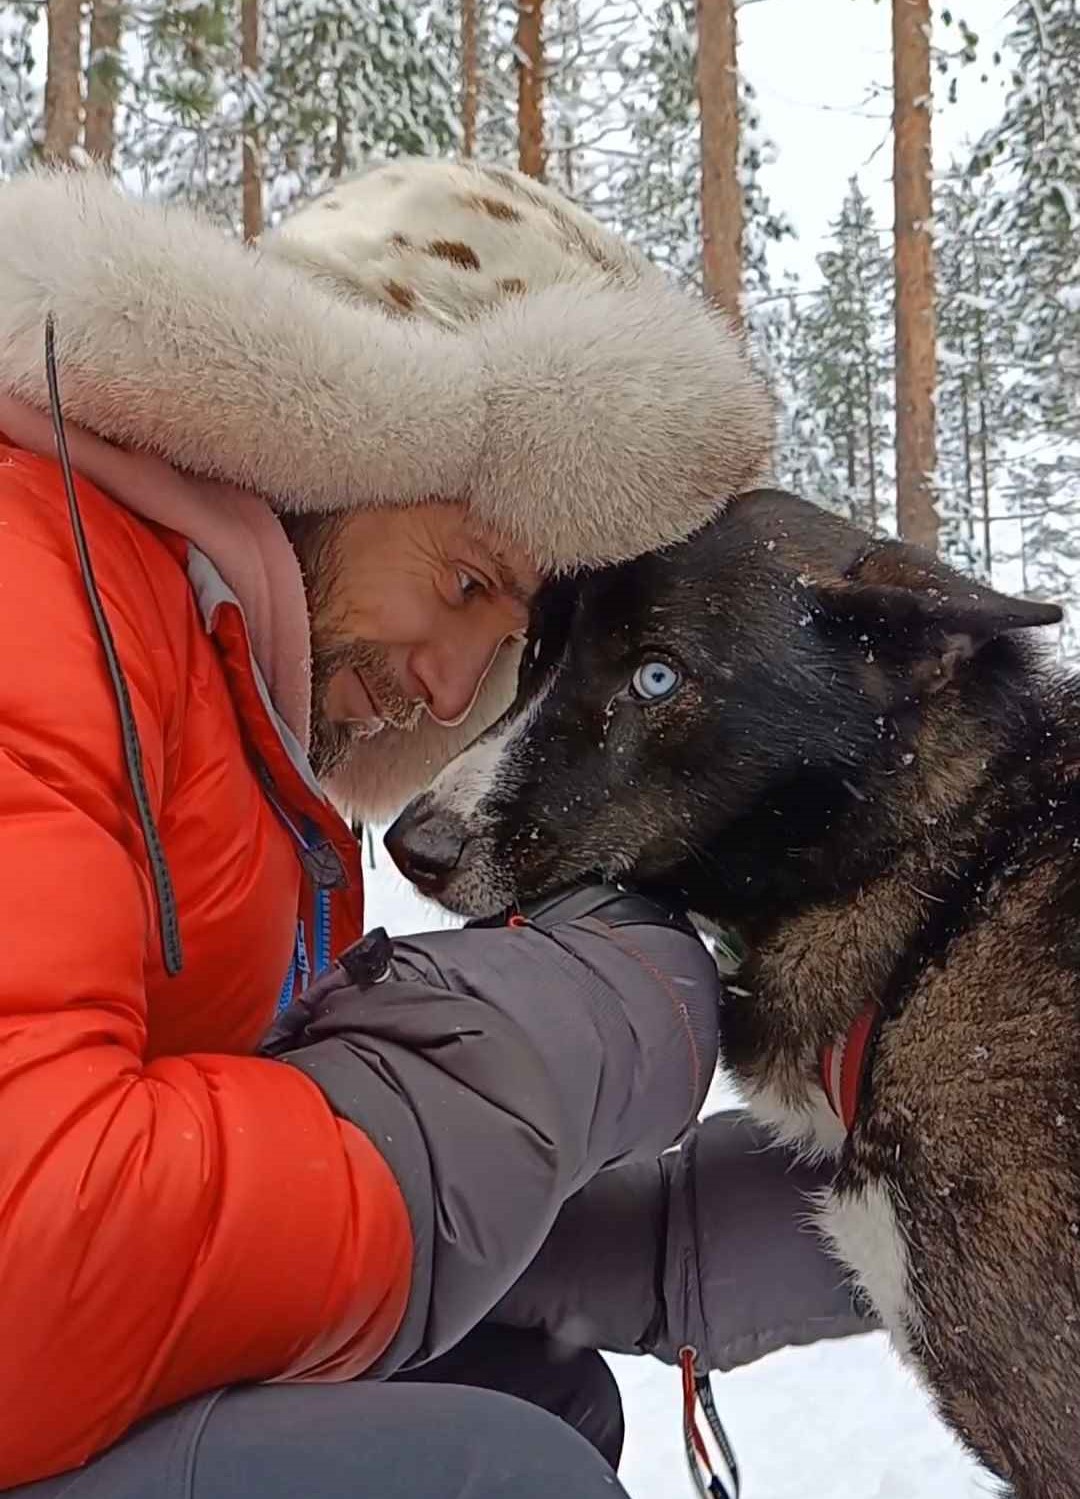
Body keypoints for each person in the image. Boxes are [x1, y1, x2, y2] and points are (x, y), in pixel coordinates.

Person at [0, 160, 865, 1499]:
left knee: (527, 1392)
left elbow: (227, 1156)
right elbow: (30, 1275)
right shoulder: (33, 580)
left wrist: (673, 1239)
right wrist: (520, 1055)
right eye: (466, 581)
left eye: (506, 639)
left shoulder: (239, 732)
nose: (454, 690)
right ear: (327, 432)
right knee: (484, 1476)